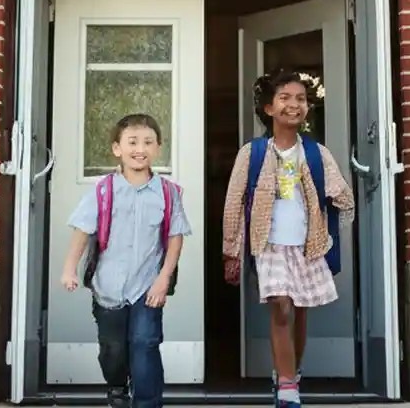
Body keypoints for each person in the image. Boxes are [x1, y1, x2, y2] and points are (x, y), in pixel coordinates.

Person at [221, 70, 355, 408]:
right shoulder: (251, 154)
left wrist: (329, 220)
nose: (294, 105)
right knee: (280, 306)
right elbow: (234, 203)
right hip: (268, 244)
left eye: (300, 99)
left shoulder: (316, 153)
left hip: (307, 246)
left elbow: (342, 196)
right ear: (268, 108)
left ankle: (291, 371)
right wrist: (231, 252)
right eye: (285, 98)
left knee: (300, 310)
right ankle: (286, 387)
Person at [60, 113, 190, 408]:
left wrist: (164, 278)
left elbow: (175, 237)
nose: (139, 149)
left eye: (147, 142)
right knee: (113, 349)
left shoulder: (168, 193)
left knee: (145, 344)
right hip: (108, 288)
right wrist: (69, 269)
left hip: (147, 287)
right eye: (132, 142)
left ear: (158, 147)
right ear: (117, 148)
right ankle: (117, 387)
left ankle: (147, 403)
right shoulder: (103, 191)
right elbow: (82, 231)